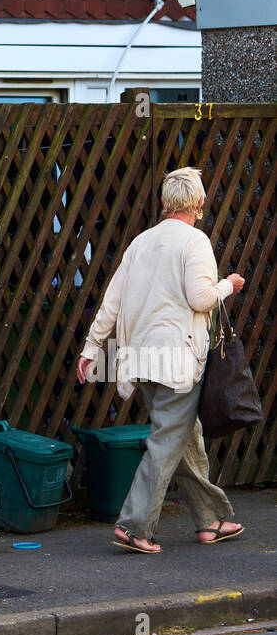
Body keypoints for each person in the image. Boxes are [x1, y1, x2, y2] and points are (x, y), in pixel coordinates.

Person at [76, 166, 245, 554]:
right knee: (167, 442)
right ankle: (134, 527)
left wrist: (90, 350)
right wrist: (229, 285)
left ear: (165, 202)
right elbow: (200, 299)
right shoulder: (195, 242)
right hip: (177, 363)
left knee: (185, 438)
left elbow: (112, 303)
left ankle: (210, 521)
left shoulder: (141, 242)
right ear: (199, 203)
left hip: (141, 360)